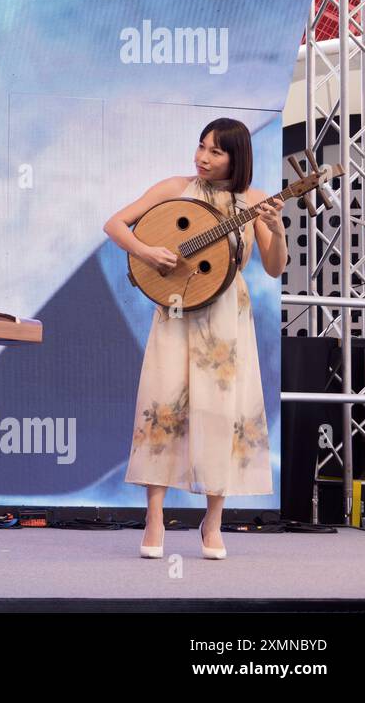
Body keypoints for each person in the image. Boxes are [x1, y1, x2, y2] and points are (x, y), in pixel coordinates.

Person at [103, 118, 283, 560]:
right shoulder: (175, 188)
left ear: (237, 158)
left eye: (216, 152)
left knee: (220, 409)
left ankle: (213, 521)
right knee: (162, 404)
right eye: (201, 147)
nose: (203, 157)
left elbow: (275, 267)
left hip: (225, 319)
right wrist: (147, 251)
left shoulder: (254, 202)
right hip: (177, 310)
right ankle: (154, 517)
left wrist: (276, 228)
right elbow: (115, 224)